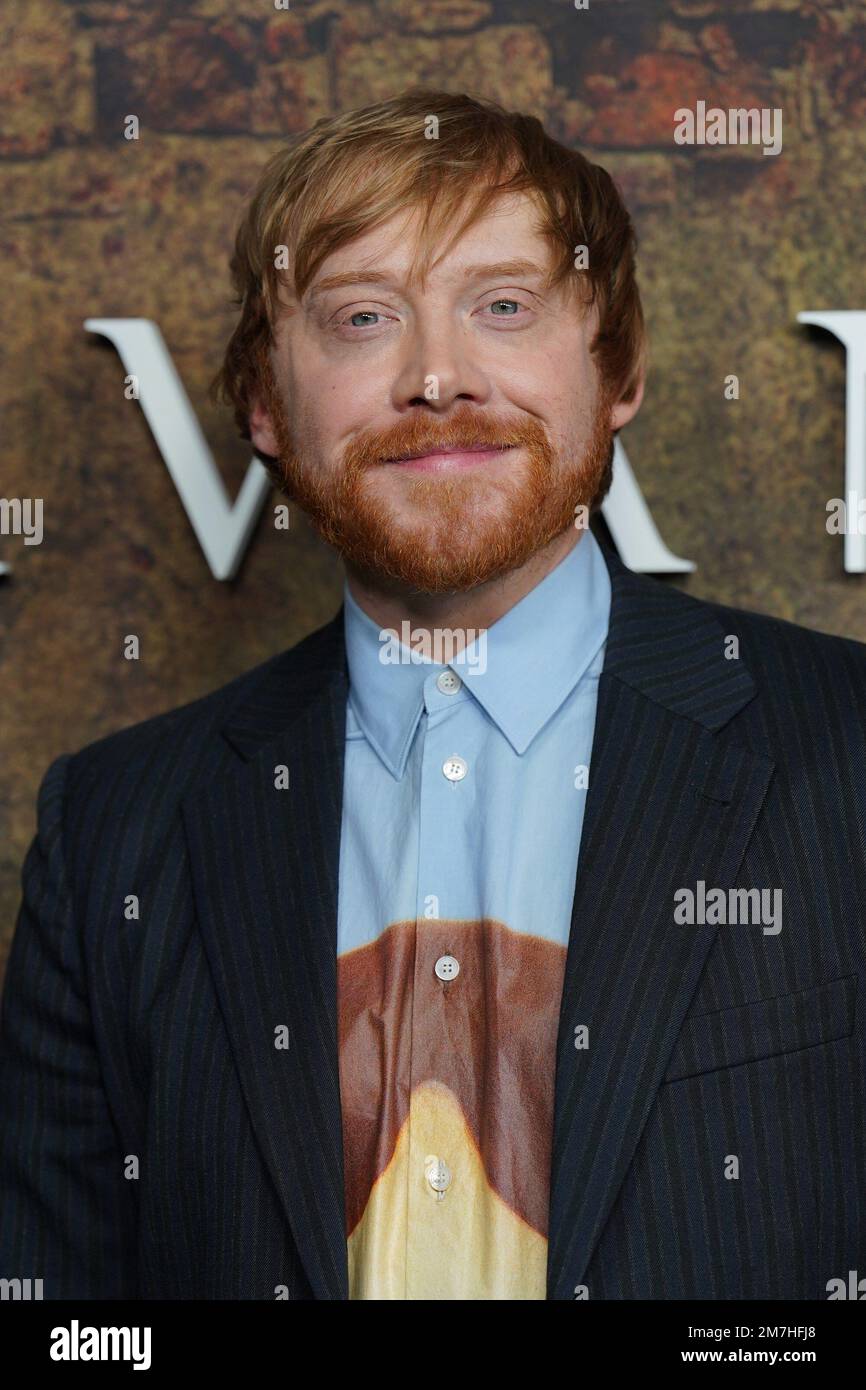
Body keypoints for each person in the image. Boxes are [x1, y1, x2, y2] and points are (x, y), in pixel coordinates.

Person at [1, 88, 864, 1301]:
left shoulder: (848, 750)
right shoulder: (111, 834)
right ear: (263, 403)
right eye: (362, 318)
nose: (437, 376)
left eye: (501, 306)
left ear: (615, 363)